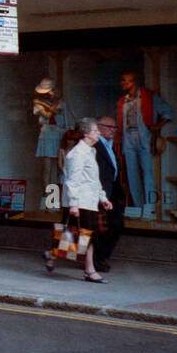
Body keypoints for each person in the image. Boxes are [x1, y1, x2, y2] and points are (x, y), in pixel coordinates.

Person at [61, 117, 115, 282]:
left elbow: (93, 179)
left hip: (90, 202)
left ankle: (51, 255)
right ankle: (90, 271)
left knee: (84, 237)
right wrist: (73, 204)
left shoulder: (90, 152)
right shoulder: (77, 154)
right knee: (86, 237)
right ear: (86, 134)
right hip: (81, 202)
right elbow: (72, 181)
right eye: (95, 131)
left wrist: (103, 198)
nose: (98, 133)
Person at [116, 70, 172, 219]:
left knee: (148, 174)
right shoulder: (123, 100)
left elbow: (168, 112)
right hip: (128, 138)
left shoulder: (148, 96)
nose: (122, 83)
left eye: (125, 80)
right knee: (132, 175)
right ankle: (138, 207)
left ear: (134, 81)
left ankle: (149, 208)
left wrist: (157, 126)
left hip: (143, 138)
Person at [92, 114, 126, 274]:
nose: (113, 130)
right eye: (109, 127)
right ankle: (96, 260)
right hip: (99, 193)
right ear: (98, 127)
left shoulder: (109, 145)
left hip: (110, 192)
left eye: (115, 128)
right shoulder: (95, 146)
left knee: (116, 224)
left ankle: (101, 257)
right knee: (100, 228)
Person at [32, 77, 70, 197]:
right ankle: (48, 198)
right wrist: (41, 103)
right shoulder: (38, 104)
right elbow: (47, 114)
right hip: (47, 134)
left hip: (59, 133)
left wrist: (41, 103)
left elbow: (55, 111)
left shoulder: (61, 102)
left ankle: (60, 197)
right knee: (47, 167)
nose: (49, 95)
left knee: (61, 165)